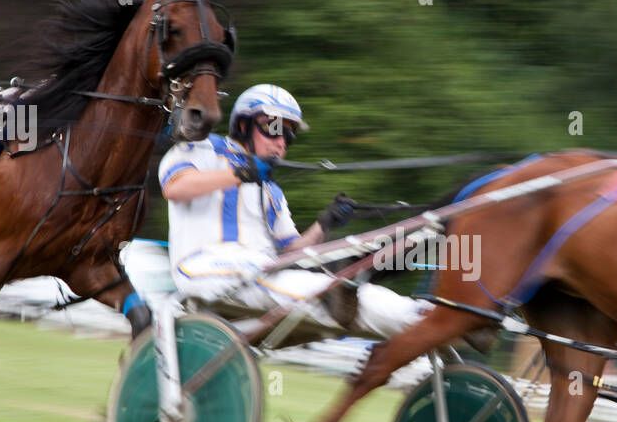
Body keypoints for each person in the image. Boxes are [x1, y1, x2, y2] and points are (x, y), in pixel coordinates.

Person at [157, 84, 428, 337]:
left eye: (289, 134)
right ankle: (362, 299)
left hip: (260, 272)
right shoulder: (202, 148)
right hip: (202, 268)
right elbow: (175, 188)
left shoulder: (272, 191)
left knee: (327, 280)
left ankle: (422, 316)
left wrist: (325, 223)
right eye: (274, 128)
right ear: (243, 124)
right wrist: (242, 172)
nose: (282, 141)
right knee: (314, 286)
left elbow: (293, 251)